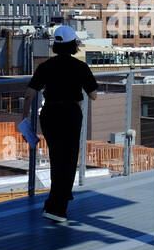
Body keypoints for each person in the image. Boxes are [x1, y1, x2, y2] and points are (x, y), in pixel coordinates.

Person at [23, 24, 98, 222]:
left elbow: (29, 94)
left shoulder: (45, 66)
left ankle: (61, 195)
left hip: (50, 114)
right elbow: (94, 95)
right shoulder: (80, 67)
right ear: (73, 44)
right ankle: (57, 207)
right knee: (69, 159)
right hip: (71, 113)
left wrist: (24, 117)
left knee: (57, 157)